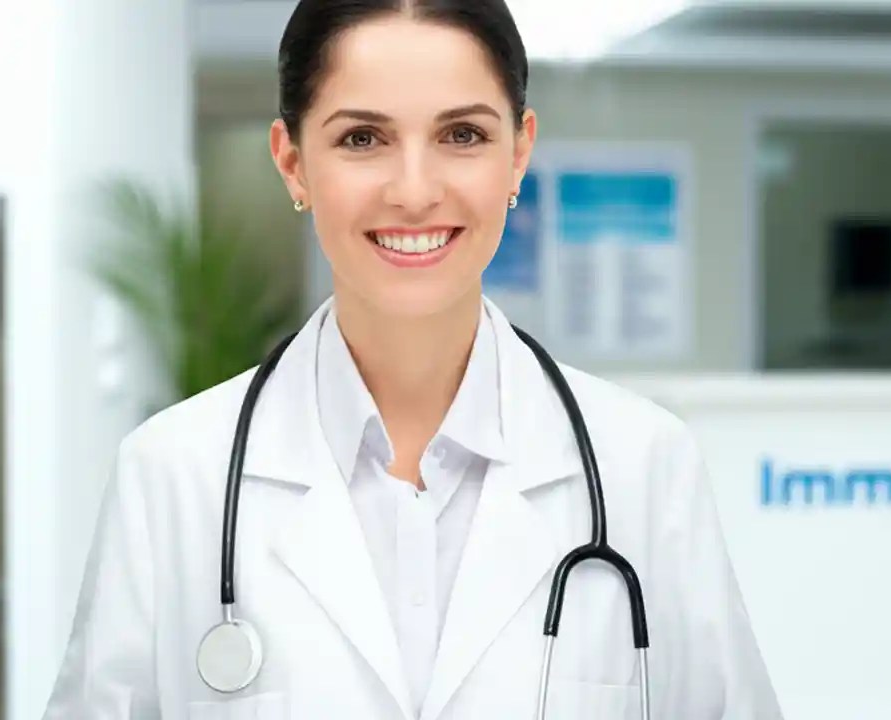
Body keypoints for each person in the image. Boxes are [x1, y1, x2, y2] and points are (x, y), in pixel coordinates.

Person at [43, 0, 782, 718]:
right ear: (293, 163)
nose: (416, 191)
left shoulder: (643, 467)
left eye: (462, 135)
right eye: (363, 139)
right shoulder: (174, 477)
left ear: (519, 153)